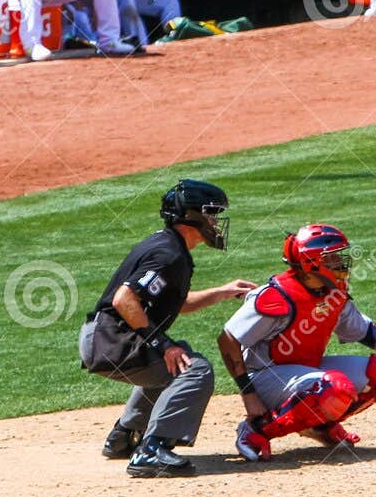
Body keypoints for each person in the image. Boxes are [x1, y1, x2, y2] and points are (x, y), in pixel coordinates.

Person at [220, 224, 376, 461]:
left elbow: (366, 332)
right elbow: (227, 339)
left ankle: (319, 427)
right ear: (311, 262)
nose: (340, 262)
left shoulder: (331, 291)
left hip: (302, 371)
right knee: (333, 387)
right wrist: (248, 395)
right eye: (331, 258)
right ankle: (256, 431)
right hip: (263, 377)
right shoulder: (276, 297)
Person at [79, 181, 254, 478]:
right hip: (111, 340)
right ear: (191, 215)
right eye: (211, 214)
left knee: (178, 357)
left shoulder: (170, 246)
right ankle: (151, 450)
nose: (215, 222)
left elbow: (179, 303)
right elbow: (125, 299)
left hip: (104, 336)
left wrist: (222, 292)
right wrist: (161, 344)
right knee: (194, 369)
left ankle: (124, 436)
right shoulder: (168, 255)